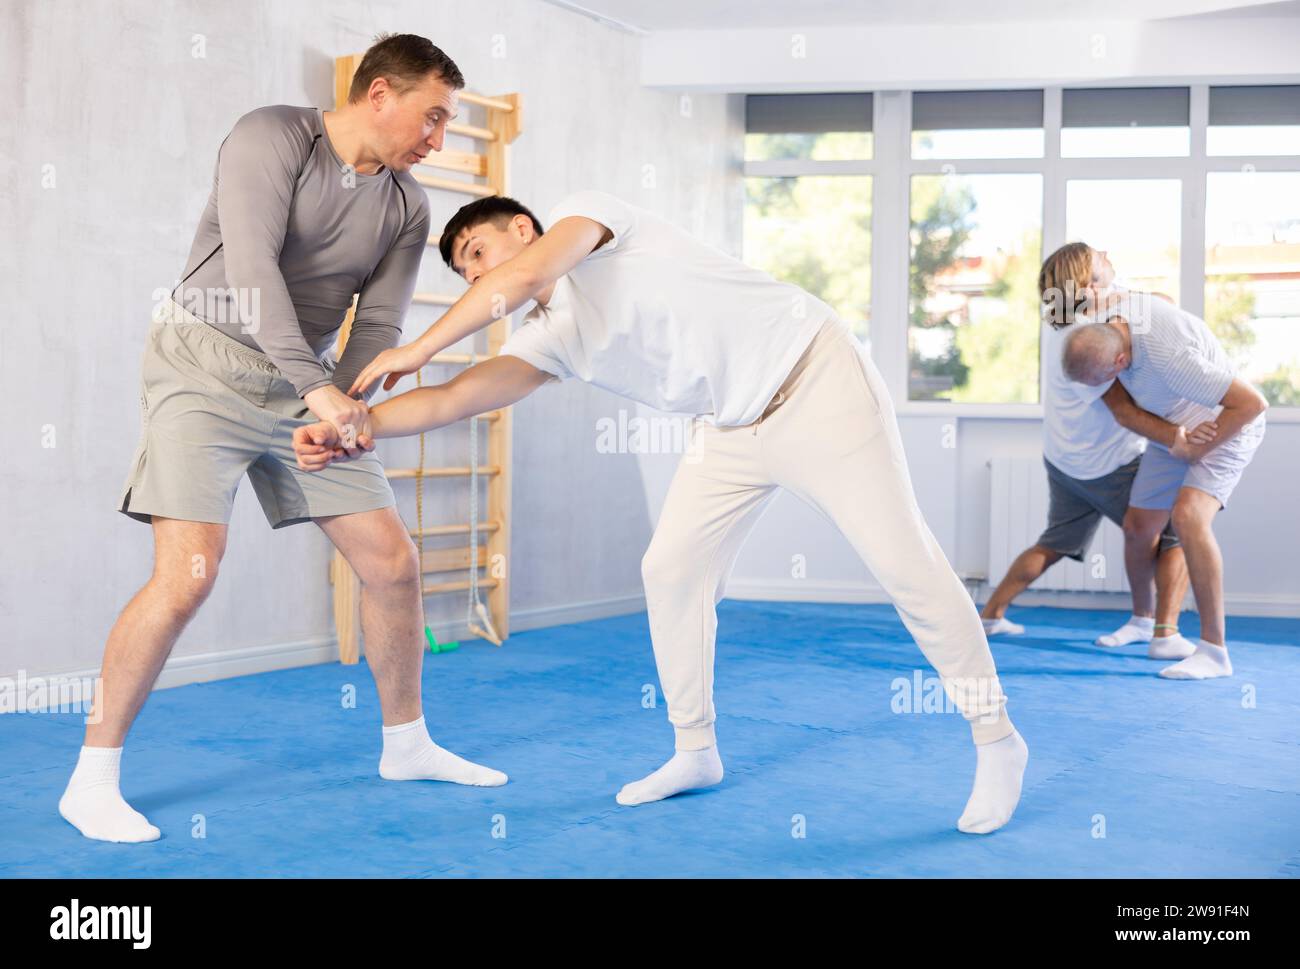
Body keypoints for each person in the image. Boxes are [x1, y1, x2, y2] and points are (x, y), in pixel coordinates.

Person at [299, 190, 1030, 834]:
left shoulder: (597, 220)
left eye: (478, 253)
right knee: (670, 568)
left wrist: (419, 344)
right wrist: (357, 425)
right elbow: (455, 397)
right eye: (462, 271)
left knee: (906, 566)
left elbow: (517, 280)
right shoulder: (551, 337)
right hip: (727, 428)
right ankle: (695, 749)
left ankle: (997, 739)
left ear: (524, 228)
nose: (477, 274)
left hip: (816, 379)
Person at [61, 35, 506, 846]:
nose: (438, 139)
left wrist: (351, 412)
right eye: (432, 116)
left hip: (307, 384)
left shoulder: (407, 205)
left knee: (392, 562)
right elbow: (252, 275)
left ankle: (406, 745)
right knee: (187, 577)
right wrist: (320, 391)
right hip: (206, 364)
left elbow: (375, 322)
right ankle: (90, 778)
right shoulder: (271, 136)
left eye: (447, 125)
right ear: (379, 94)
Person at [980, 243, 1203, 660]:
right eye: (1097, 257)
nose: (1105, 251)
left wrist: (1117, 295)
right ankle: (1161, 631)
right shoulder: (1086, 335)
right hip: (1106, 466)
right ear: (1086, 281)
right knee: (1176, 531)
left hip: (1064, 461)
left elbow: (1165, 305)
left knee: (1054, 542)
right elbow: (1122, 412)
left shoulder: (1064, 320)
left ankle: (991, 616)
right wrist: (1180, 439)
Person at [1061, 284, 1269, 679]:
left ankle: (1214, 651)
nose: (1098, 391)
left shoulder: (1169, 359)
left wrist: (1194, 450)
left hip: (1226, 427)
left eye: (1101, 380)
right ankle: (1145, 623)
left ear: (1120, 360)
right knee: (1139, 528)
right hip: (1174, 431)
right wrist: (1178, 442)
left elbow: (1253, 404)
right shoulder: (1108, 324)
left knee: (1189, 517)